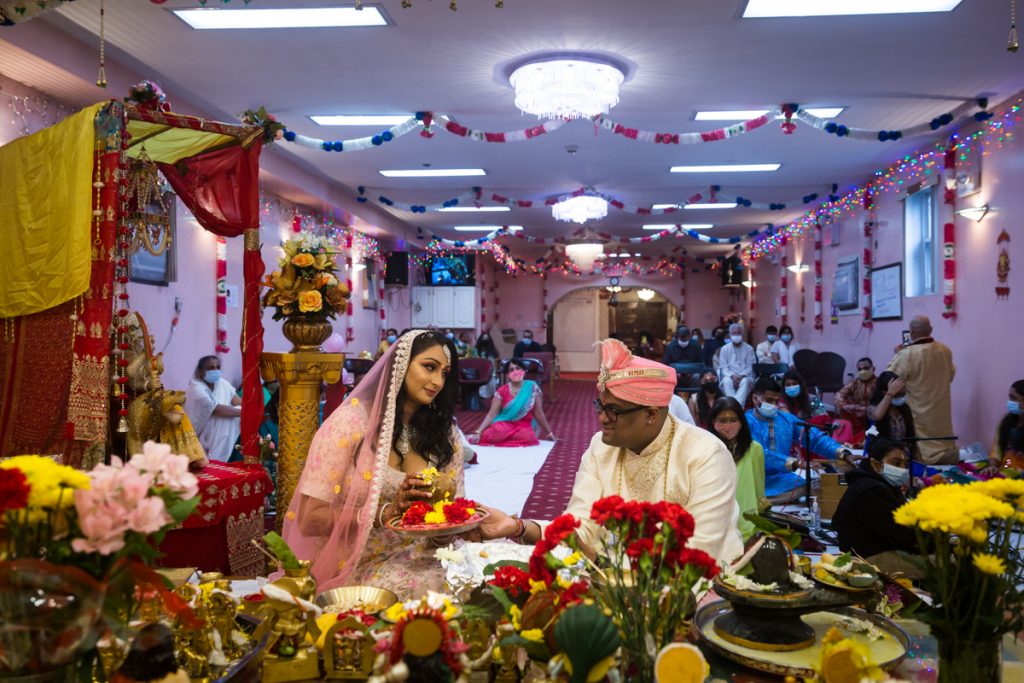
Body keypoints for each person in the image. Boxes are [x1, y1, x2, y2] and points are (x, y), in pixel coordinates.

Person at [478, 339, 744, 564]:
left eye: (613, 411)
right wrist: (520, 526)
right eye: (600, 406)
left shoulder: (706, 455)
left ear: (652, 413)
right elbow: (579, 526)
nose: (602, 419)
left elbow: (697, 556)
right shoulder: (600, 447)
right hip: (617, 578)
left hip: (699, 587)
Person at [284, 330, 466, 598]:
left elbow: (455, 508)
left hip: (427, 554)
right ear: (400, 365)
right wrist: (384, 514)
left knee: (482, 572)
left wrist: (444, 532)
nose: (437, 381)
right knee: (423, 586)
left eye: (444, 373)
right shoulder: (350, 423)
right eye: (429, 367)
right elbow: (309, 520)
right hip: (359, 562)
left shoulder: (445, 434)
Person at [746, 377, 853, 504]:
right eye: (769, 400)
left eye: (776, 401)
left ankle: (763, 501)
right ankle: (758, 501)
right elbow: (760, 452)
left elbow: (814, 438)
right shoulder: (745, 422)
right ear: (755, 399)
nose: (774, 405)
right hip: (753, 477)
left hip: (781, 477)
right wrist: (795, 463)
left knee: (810, 485)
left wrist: (842, 452)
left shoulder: (786, 419)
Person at [831, 438, 922, 578]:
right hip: (867, 559)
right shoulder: (872, 491)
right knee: (947, 563)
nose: (903, 469)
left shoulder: (881, 485)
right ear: (875, 464)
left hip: (879, 549)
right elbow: (903, 538)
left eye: (906, 464)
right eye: (896, 463)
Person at [886, 315, 957, 465]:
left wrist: (897, 354)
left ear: (910, 332)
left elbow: (890, 380)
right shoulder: (945, 350)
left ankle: (924, 465)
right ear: (931, 330)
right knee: (943, 441)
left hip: (918, 409)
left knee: (923, 447)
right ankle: (947, 457)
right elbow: (950, 376)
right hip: (941, 409)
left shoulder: (907, 354)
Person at [707, 397, 766, 541]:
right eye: (722, 421)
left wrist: (763, 522)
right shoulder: (706, 449)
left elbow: (759, 490)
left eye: (733, 420)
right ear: (713, 422)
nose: (728, 426)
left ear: (741, 422)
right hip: (715, 523)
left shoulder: (754, 449)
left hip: (748, 524)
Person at [471, 359, 555, 446]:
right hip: (504, 424)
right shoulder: (502, 391)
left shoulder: (532, 388)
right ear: (508, 375)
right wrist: (479, 432)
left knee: (528, 437)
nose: (515, 371)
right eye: (511, 370)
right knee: (491, 433)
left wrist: (549, 433)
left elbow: (538, 412)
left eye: (518, 368)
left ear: (524, 371)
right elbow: (492, 414)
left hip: (523, 425)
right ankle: (509, 437)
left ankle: (506, 438)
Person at [185, 356, 242, 462]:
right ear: (201, 372)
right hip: (199, 433)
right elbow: (215, 409)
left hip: (217, 430)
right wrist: (245, 413)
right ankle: (220, 458)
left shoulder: (222, 383)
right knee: (225, 418)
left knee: (238, 410)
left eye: (218, 367)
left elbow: (238, 402)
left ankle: (231, 454)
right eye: (211, 368)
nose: (216, 370)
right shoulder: (195, 388)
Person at [867, 371, 918, 459]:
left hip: (904, 456)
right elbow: (877, 416)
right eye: (898, 394)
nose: (902, 397)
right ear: (884, 393)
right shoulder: (872, 408)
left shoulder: (904, 408)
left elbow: (911, 438)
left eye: (903, 393)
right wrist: (890, 394)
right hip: (883, 456)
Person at [834, 357, 878, 437]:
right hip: (857, 414)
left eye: (866, 368)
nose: (863, 371)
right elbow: (839, 395)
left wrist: (868, 409)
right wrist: (845, 406)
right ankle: (853, 435)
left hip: (874, 414)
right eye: (860, 369)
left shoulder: (879, 383)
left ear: (873, 369)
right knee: (844, 409)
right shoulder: (855, 383)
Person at [986, 379, 1024, 470]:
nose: (1009, 401)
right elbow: (996, 449)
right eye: (1009, 397)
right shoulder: (1007, 421)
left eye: (1013, 398)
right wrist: (992, 466)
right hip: (1005, 468)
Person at [718, 323, 756, 407]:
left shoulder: (749, 348)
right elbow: (723, 367)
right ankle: (736, 407)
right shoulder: (724, 349)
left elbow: (751, 366)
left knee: (745, 381)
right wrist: (732, 376)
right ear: (730, 335)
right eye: (734, 333)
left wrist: (741, 376)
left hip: (745, 376)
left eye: (738, 333)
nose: (736, 335)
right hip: (729, 376)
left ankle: (734, 407)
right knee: (726, 381)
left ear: (742, 334)